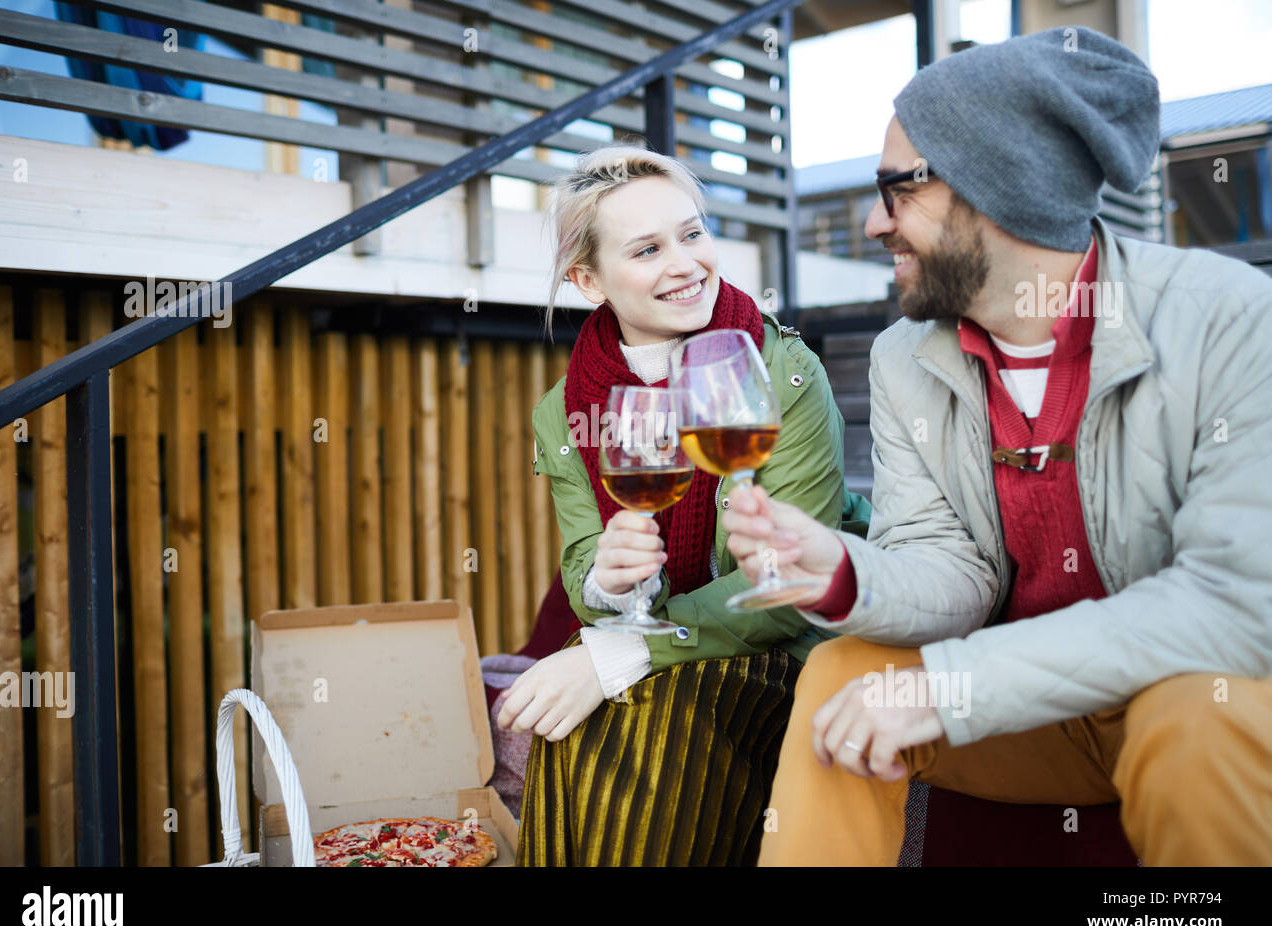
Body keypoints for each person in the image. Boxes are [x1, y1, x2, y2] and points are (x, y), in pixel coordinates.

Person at [722, 27, 1272, 866]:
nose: (874, 223)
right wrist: (840, 569)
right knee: (842, 672)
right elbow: (951, 568)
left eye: (896, 191)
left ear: (996, 185)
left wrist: (952, 688)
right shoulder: (904, 357)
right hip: (1036, 720)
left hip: (1193, 701)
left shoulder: (1227, 317)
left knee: (1191, 713)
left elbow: (1232, 605)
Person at [497, 144, 870, 865]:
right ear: (588, 278)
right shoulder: (563, 411)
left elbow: (790, 588)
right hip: (670, 631)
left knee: (652, 706)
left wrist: (625, 650)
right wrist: (605, 581)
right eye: (646, 249)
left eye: (692, 233)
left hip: (788, 645)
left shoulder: (783, 373)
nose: (686, 263)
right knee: (572, 723)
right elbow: (582, 572)